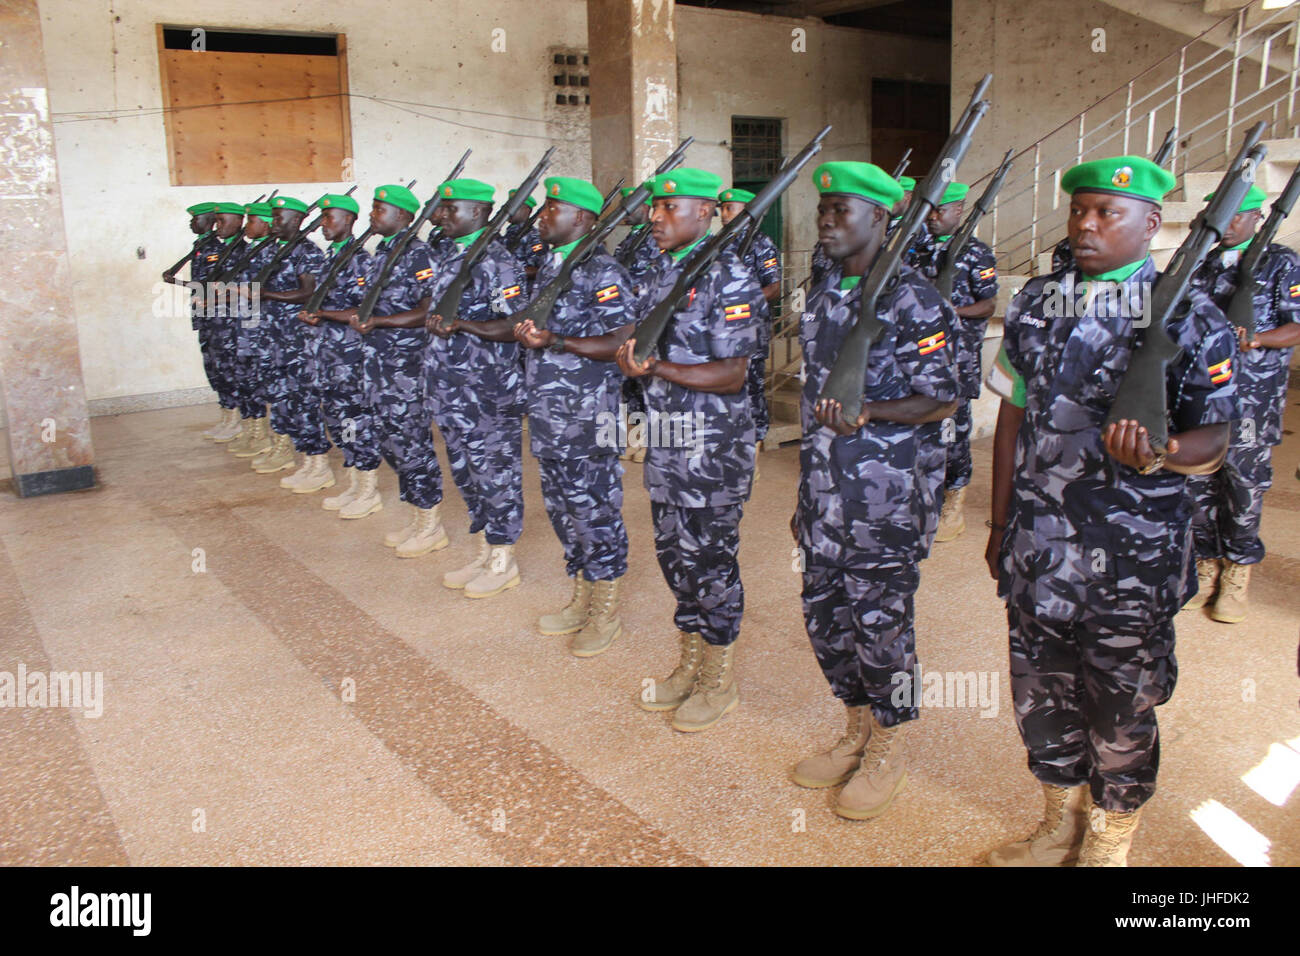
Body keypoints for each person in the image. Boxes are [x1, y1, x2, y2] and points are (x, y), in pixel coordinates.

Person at [983, 155, 1238, 867]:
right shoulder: (1039, 300)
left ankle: (1109, 837)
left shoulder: (1191, 313)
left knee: (1122, 703)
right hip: (1038, 544)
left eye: (1107, 214)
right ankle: (1058, 818)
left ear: (1151, 224)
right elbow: (1012, 414)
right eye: (1079, 211)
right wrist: (1000, 524)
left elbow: (1215, 442)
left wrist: (1161, 451)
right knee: (1040, 691)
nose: (1086, 225)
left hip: (1132, 558)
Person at [788, 161, 958, 820]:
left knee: (882, 628)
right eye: (824, 209)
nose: (827, 221)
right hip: (824, 493)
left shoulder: (915, 298)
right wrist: (805, 501)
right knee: (827, 621)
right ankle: (855, 726)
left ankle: (888, 745)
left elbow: (942, 397)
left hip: (883, 502)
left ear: (882, 220)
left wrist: (874, 412)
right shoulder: (826, 289)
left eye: (842, 211)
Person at [617, 168, 762, 732]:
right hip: (667, 443)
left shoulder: (730, 277)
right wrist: (630, 360)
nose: (655, 216)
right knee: (674, 556)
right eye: (656, 207)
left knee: (711, 562)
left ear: (704, 213)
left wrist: (657, 367)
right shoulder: (659, 272)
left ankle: (718, 677)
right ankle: (689, 661)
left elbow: (732, 374)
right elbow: (636, 341)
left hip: (712, 449)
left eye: (669, 208)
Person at [512, 176, 636, 656]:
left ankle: (604, 608)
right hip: (548, 412)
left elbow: (622, 342)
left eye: (552, 210)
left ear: (581, 220)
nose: (543, 217)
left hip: (588, 415)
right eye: (545, 209)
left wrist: (556, 342)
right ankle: (580, 593)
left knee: (594, 506)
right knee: (563, 507)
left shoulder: (602, 271)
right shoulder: (551, 264)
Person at [1183, 184, 1300, 622]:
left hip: (1254, 397)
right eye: (1221, 214)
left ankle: (1238, 570)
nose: (1227, 224)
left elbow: (1297, 325)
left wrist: (1258, 340)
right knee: (1198, 482)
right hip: (1205, 395)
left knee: (1243, 485)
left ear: (1256, 217)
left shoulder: (1280, 262)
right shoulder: (1201, 260)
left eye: (1236, 216)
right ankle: (1205, 562)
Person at [314, 184, 440, 551]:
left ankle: (431, 524)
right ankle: (418, 516)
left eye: (379, 210)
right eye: (372, 209)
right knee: (389, 439)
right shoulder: (385, 253)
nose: (372, 216)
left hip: (405, 365)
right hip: (376, 362)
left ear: (402, 216)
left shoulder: (419, 255)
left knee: (412, 442)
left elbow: (429, 310)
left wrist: (379, 323)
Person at [427, 179, 530, 596]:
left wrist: (464, 325)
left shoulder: (498, 262)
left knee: (496, 474)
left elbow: (516, 325)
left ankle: (504, 560)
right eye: (444, 209)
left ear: (480, 213)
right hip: (451, 389)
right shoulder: (451, 257)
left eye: (453, 210)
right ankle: (485, 550)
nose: (444, 216)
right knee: (467, 474)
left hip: (488, 391)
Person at [906, 182, 999, 540]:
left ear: (958, 211)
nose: (931, 217)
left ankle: (953, 501)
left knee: (955, 433)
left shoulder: (977, 253)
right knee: (919, 429)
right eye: (929, 210)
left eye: (939, 211)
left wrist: (948, 312)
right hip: (918, 360)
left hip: (957, 359)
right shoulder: (915, 250)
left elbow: (988, 305)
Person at [301, 194, 384, 516]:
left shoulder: (359, 260)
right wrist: (317, 316)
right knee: (338, 420)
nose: (324, 224)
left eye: (330, 218)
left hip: (349, 357)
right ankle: (353, 484)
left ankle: (368, 489)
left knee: (355, 420)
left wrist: (322, 313)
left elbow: (364, 310)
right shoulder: (329, 258)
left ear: (349, 221)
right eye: (323, 217)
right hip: (326, 355)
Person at [255, 196, 330, 490]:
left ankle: (319, 463)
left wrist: (267, 296)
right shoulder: (273, 249)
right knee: (281, 399)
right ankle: (297, 456)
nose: (273, 222)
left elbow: (308, 293)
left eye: (278, 217)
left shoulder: (307, 252)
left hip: (297, 339)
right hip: (273, 338)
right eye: (273, 217)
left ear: (297, 220)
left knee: (304, 401)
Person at [719, 187, 782, 456]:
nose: (723, 214)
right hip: (721, 328)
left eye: (729, 208)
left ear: (746, 211)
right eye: (722, 208)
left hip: (750, 327)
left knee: (752, 382)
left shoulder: (761, 243)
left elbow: (774, 288)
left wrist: (742, 306)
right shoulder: (719, 243)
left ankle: (756, 436)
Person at [503, 189, 547, 290]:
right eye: (509, 205)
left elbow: (541, 270)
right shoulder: (510, 233)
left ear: (527, 210)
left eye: (516, 206)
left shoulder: (533, 236)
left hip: (524, 295)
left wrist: (510, 271)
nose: (510, 209)